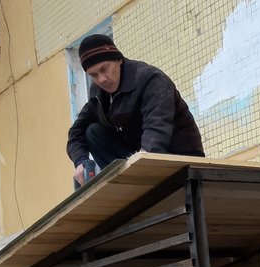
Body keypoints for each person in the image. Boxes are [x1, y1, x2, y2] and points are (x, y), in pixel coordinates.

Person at [66, 34, 204, 184]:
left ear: (118, 60)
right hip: (138, 158)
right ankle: (122, 187)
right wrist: (81, 161)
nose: (102, 79)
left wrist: (142, 163)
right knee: (93, 132)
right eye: (93, 75)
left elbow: (157, 128)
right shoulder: (99, 94)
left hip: (177, 158)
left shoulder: (150, 79)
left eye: (104, 69)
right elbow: (76, 131)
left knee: (146, 154)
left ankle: (133, 185)